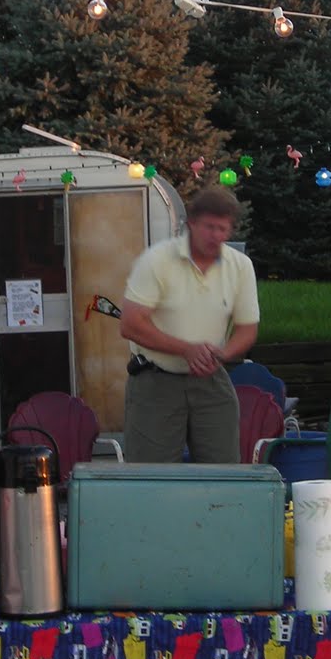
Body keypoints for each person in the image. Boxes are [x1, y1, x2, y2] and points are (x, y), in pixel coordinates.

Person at [119, 186, 259, 463]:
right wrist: (186, 350)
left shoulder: (241, 266)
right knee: (152, 474)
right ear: (191, 224)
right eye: (209, 227)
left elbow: (247, 329)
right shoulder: (157, 260)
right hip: (156, 381)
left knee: (224, 471)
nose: (215, 235)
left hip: (211, 378)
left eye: (222, 228)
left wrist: (222, 354)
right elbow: (131, 324)